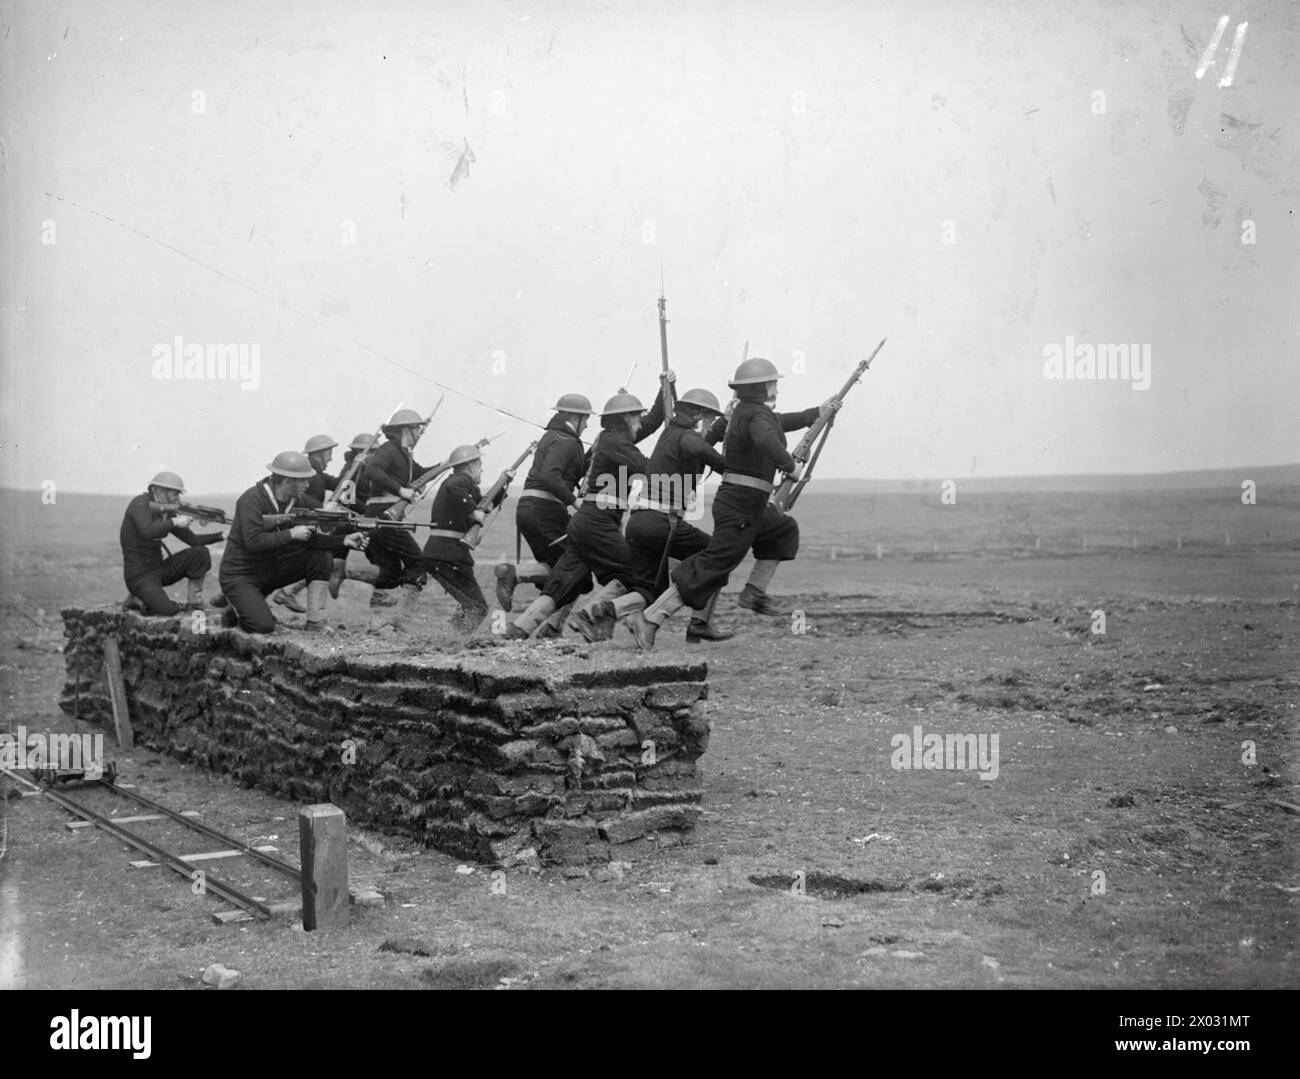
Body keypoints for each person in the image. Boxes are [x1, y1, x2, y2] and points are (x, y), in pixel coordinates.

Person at [628, 357, 839, 649]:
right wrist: (790, 466)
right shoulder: (755, 416)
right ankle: (651, 617)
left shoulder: (751, 413)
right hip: (740, 505)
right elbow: (767, 440)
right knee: (714, 563)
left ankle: (753, 593)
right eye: (772, 382)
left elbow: (787, 421)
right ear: (761, 387)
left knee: (782, 529)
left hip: (749, 505)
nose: (775, 386)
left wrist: (820, 410)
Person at [507, 372, 674, 640]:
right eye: (637, 416)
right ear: (626, 418)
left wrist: (666, 388)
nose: (641, 421)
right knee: (637, 575)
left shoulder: (612, 439)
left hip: (584, 522)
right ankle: (592, 617)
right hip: (599, 522)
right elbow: (647, 467)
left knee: (565, 581)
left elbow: (654, 421)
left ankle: (520, 628)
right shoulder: (616, 442)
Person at [576, 387, 734, 643]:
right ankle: (699, 622)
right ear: (698, 416)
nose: (712, 423)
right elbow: (717, 460)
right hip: (663, 522)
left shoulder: (673, 434)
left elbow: (701, 445)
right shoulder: (686, 437)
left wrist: (724, 422)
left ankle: (607, 610)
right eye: (711, 418)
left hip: (639, 522)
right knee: (717, 556)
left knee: (648, 589)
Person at [218, 451, 365, 634]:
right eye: (303, 480)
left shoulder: (295, 501)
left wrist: (344, 540)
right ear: (288, 481)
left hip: (269, 570)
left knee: (320, 557)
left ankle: (316, 623)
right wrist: (291, 534)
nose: (307, 485)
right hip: (239, 575)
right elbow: (253, 542)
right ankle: (235, 613)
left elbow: (310, 540)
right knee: (263, 626)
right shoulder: (251, 499)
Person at [496, 393, 592, 611]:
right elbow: (551, 475)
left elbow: (570, 471)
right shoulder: (566, 442)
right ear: (574, 418)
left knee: (559, 568)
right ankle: (514, 574)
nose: (587, 426)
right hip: (545, 512)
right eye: (585, 419)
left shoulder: (555, 437)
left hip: (533, 510)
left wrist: (593, 452)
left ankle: (544, 625)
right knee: (575, 569)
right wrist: (575, 501)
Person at [421, 444, 508, 633]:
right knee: (477, 607)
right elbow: (469, 502)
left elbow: (483, 506)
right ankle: (452, 640)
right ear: (470, 466)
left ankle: (449, 637)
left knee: (472, 605)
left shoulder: (466, 487)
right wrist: (473, 510)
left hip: (442, 554)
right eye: (480, 464)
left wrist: (502, 487)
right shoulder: (460, 481)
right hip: (448, 555)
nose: (482, 469)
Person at [119, 471, 223, 615]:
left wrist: (221, 536)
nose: (178, 498)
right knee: (169, 610)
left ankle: (194, 603)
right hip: (139, 577)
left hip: (159, 570)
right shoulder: (139, 503)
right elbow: (147, 530)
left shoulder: (166, 510)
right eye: (175, 494)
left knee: (200, 553)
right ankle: (136, 598)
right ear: (160, 491)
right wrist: (174, 522)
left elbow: (192, 540)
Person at [362, 409, 432, 612]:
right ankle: (403, 617)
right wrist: (401, 489)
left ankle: (342, 572)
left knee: (390, 573)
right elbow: (372, 470)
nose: (421, 432)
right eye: (417, 428)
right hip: (383, 515)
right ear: (406, 430)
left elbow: (424, 473)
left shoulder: (405, 456)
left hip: (382, 516)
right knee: (418, 562)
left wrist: (448, 463)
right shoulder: (388, 449)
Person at [273, 434, 341, 613]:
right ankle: (290, 595)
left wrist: (356, 464)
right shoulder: (310, 473)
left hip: (301, 525)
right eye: (329, 453)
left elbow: (339, 483)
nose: (331, 458)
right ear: (319, 453)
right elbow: (299, 497)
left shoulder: (317, 473)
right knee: (318, 558)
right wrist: (322, 507)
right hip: (296, 528)